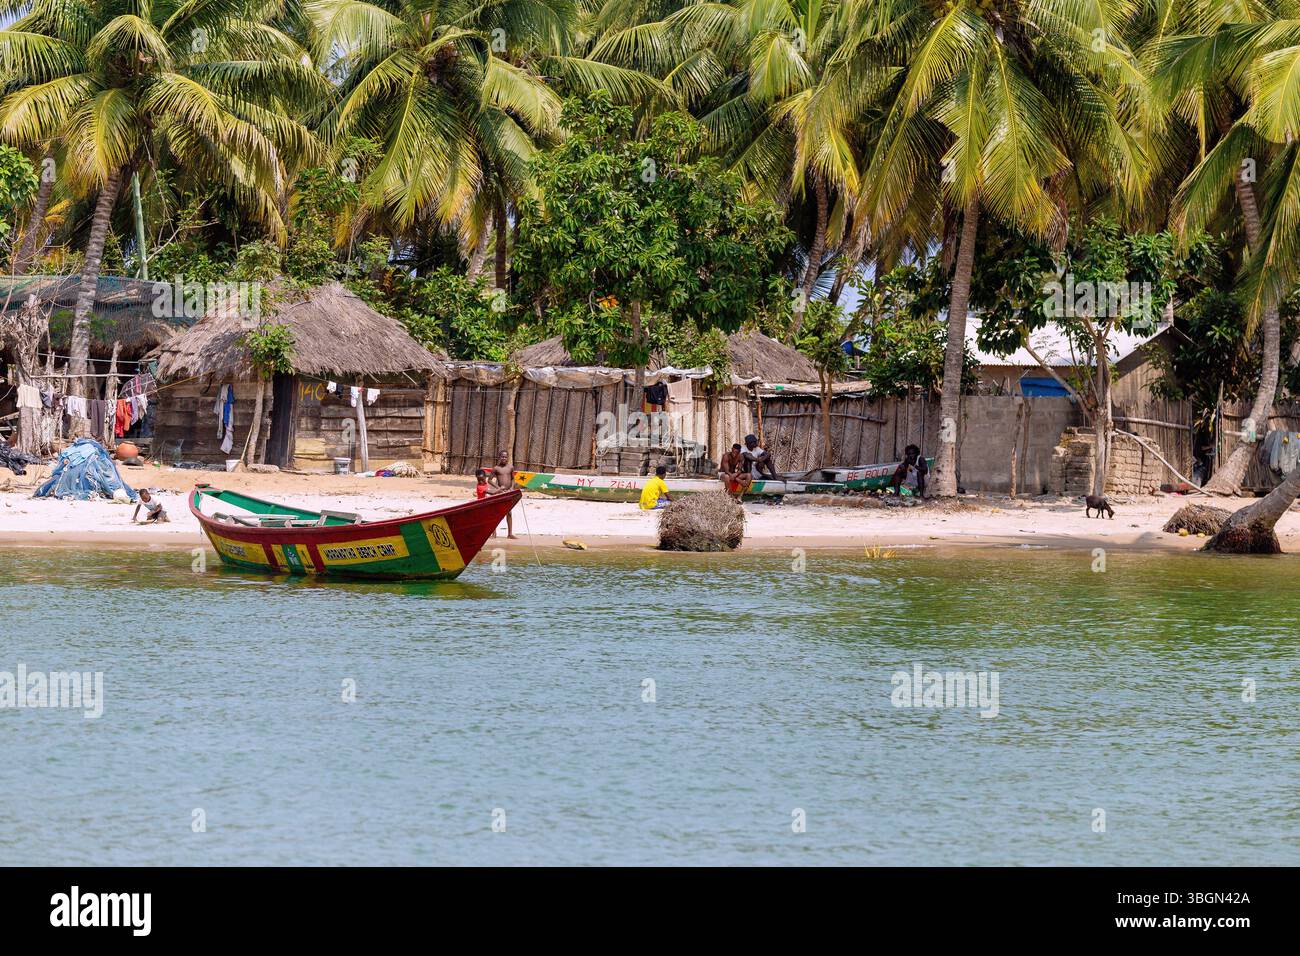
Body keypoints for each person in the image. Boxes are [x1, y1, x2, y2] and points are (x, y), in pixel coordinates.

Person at [485, 451, 518, 539]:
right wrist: (498, 488)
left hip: (508, 492)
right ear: (499, 457)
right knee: (496, 512)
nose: (504, 458)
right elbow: (490, 480)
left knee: (509, 513)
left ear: (508, 458)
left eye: (505, 457)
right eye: (502, 457)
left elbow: (513, 479)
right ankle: (494, 533)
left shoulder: (510, 467)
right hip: (500, 493)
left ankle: (510, 534)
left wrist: (512, 488)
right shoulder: (496, 468)